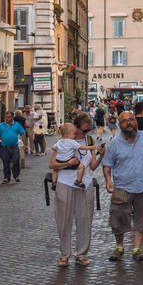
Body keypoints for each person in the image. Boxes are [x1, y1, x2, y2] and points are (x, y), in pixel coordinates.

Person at [102, 110, 143, 263]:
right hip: (122, 188)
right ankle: (119, 247)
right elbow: (107, 165)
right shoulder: (114, 143)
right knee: (118, 218)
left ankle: (137, 249)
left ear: (136, 121)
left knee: (142, 218)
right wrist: (107, 179)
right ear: (119, 124)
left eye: (131, 119)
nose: (129, 123)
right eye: (124, 121)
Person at [50, 112, 106, 267]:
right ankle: (64, 254)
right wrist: (68, 164)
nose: (87, 133)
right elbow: (52, 164)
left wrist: (101, 155)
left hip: (85, 184)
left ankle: (81, 253)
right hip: (65, 182)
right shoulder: (64, 141)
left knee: (84, 220)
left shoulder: (89, 140)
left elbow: (93, 166)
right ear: (76, 127)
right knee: (63, 220)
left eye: (89, 130)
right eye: (84, 130)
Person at [52, 123, 89, 189]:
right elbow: (51, 165)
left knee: (55, 170)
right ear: (68, 133)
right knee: (81, 167)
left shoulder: (60, 142)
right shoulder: (71, 142)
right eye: (74, 133)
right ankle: (78, 181)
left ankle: (54, 183)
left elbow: (53, 147)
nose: (75, 135)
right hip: (64, 182)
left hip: (60, 161)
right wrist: (67, 163)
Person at [0, 112, 26, 183]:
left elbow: (23, 133)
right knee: (5, 163)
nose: (7, 119)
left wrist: (25, 144)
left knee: (15, 161)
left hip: (14, 147)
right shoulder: (1, 125)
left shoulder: (17, 125)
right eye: (6, 117)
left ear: (12, 117)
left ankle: (16, 176)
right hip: (4, 147)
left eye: (9, 117)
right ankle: (6, 177)